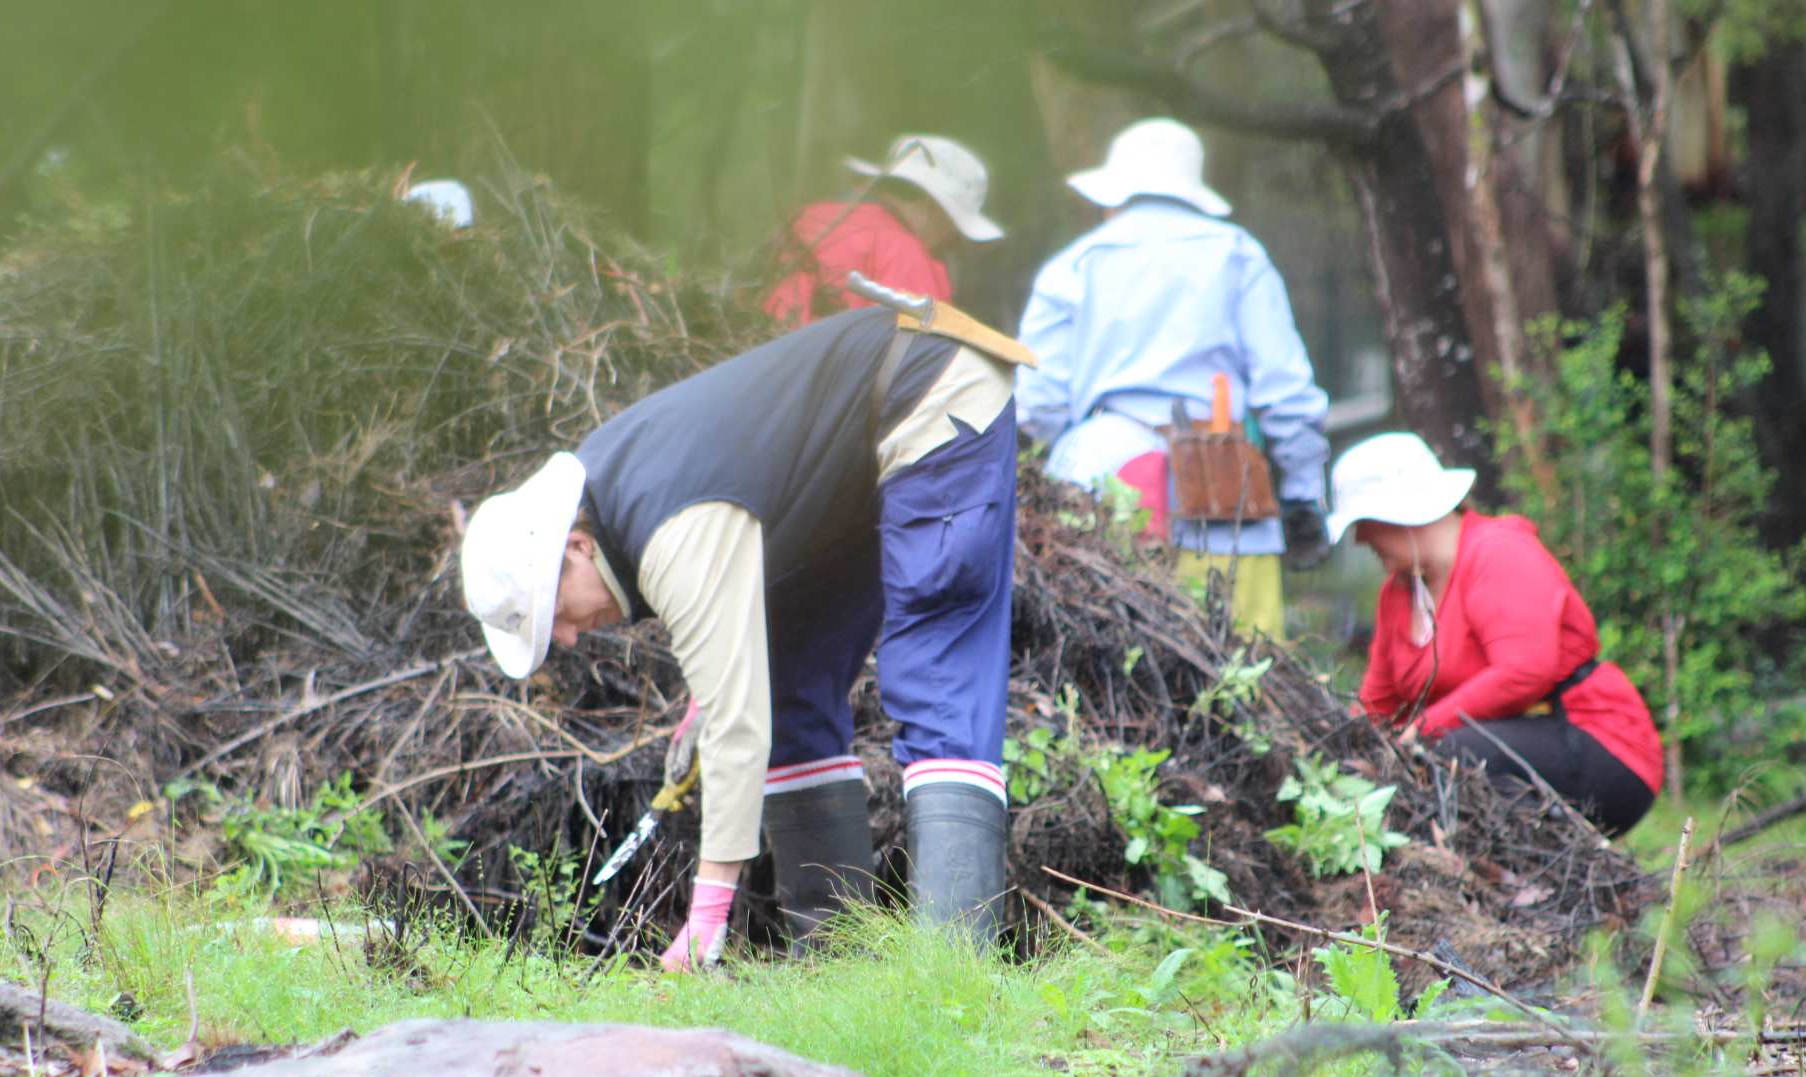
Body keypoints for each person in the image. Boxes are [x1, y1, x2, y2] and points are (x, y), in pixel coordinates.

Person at [459, 306, 1026, 970]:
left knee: (935, 667)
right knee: (789, 694)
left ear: (577, 548)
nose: (569, 640)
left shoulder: (668, 528)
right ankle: (840, 977)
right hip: (838, 473)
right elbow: (735, 564)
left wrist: (706, 921)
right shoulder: (617, 501)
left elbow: (736, 725)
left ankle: (951, 981)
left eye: (552, 614)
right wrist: (709, 698)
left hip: (931, 390)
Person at [1015, 118, 1330, 640]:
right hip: (1218, 480)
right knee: (1241, 668)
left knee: (1102, 668)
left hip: (1095, 473)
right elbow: (1286, 393)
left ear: (1114, 196)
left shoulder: (1072, 266)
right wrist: (1302, 491)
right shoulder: (1237, 254)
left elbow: (1038, 405)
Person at [1328, 432, 1664, 835]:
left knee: (1450, 754)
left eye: (1364, 523)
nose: (1360, 539)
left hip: (1599, 743)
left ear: (1400, 513)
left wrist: (1424, 729)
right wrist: (1337, 756)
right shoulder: (1397, 595)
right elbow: (1376, 705)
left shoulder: (1498, 552)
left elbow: (1525, 671)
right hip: (1494, 747)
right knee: (1426, 761)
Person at [761, 134, 1004, 328]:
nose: (950, 239)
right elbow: (929, 361)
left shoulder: (806, 219)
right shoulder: (903, 254)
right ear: (934, 208)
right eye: (953, 225)